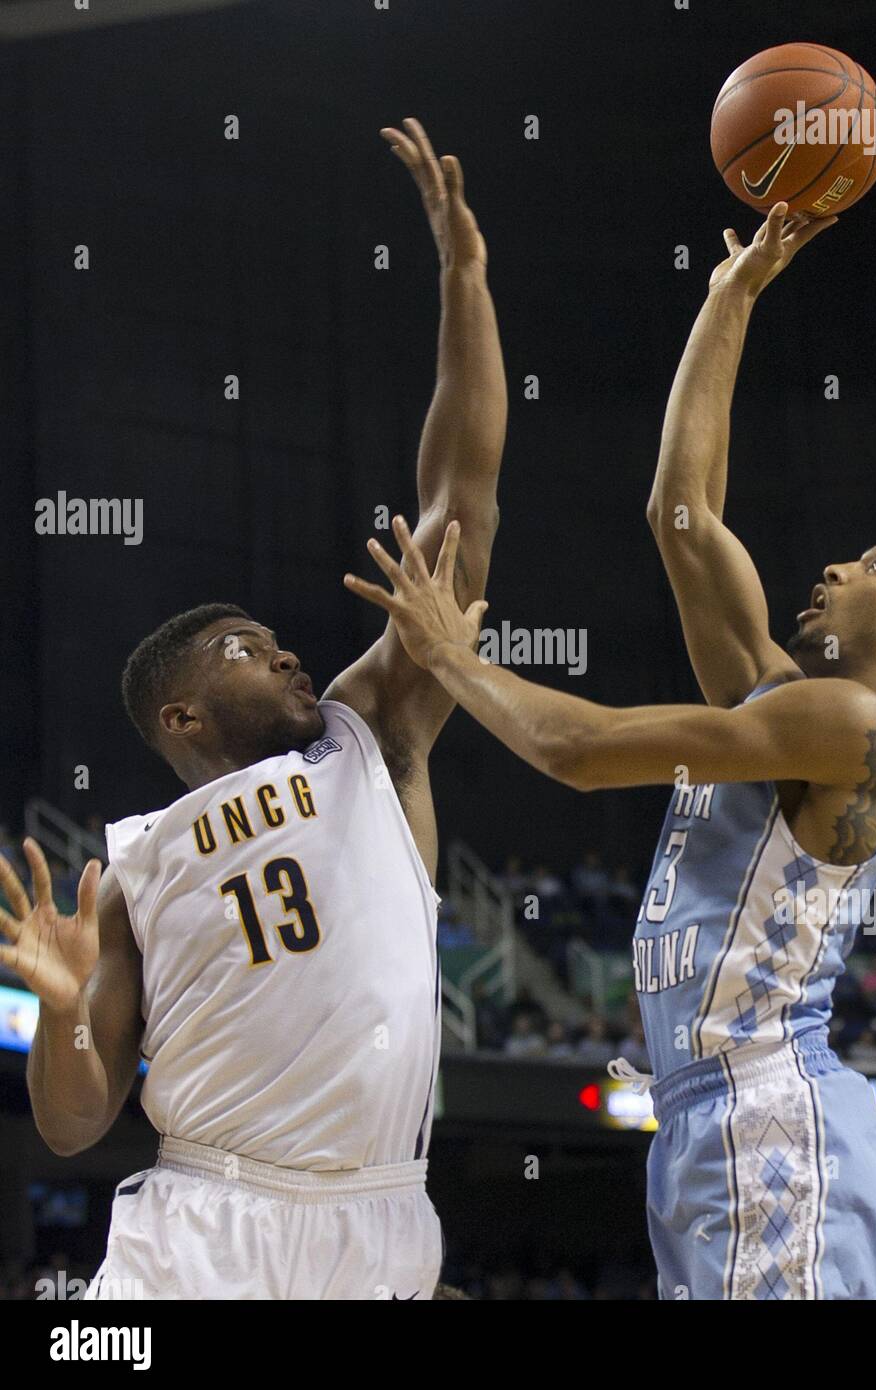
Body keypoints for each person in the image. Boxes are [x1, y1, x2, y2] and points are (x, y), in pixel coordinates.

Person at [347, 201, 876, 1301]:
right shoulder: (791, 706)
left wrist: (449, 657)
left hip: (768, 1108)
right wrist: (730, 295)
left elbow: (579, 749)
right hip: (703, 1117)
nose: (840, 567)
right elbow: (682, 510)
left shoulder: (846, 728)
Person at [0, 119, 506, 1301]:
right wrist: (65, 1012)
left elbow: (460, 503)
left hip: (380, 1212)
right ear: (178, 716)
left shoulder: (365, 733)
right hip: (204, 1218)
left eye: (278, 643)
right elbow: (74, 1125)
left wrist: (464, 283)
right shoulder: (133, 870)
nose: (284, 653)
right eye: (245, 649)